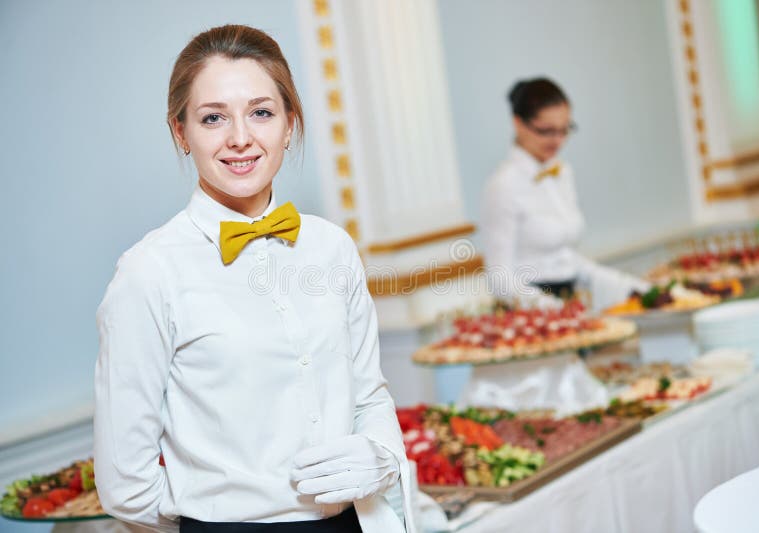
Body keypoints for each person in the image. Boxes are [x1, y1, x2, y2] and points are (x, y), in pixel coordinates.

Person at [94, 25, 413, 533]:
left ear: (290, 123)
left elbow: (368, 394)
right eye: (213, 117)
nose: (239, 137)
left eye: (261, 112)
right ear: (181, 133)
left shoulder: (332, 247)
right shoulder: (149, 272)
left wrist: (382, 455)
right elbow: (124, 484)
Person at [481, 77, 647, 310]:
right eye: (546, 131)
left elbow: (566, 258)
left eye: (565, 130)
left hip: (569, 300)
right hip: (527, 313)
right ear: (518, 124)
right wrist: (552, 309)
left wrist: (629, 286)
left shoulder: (562, 172)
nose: (558, 141)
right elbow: (499, 277)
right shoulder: (503, 185)